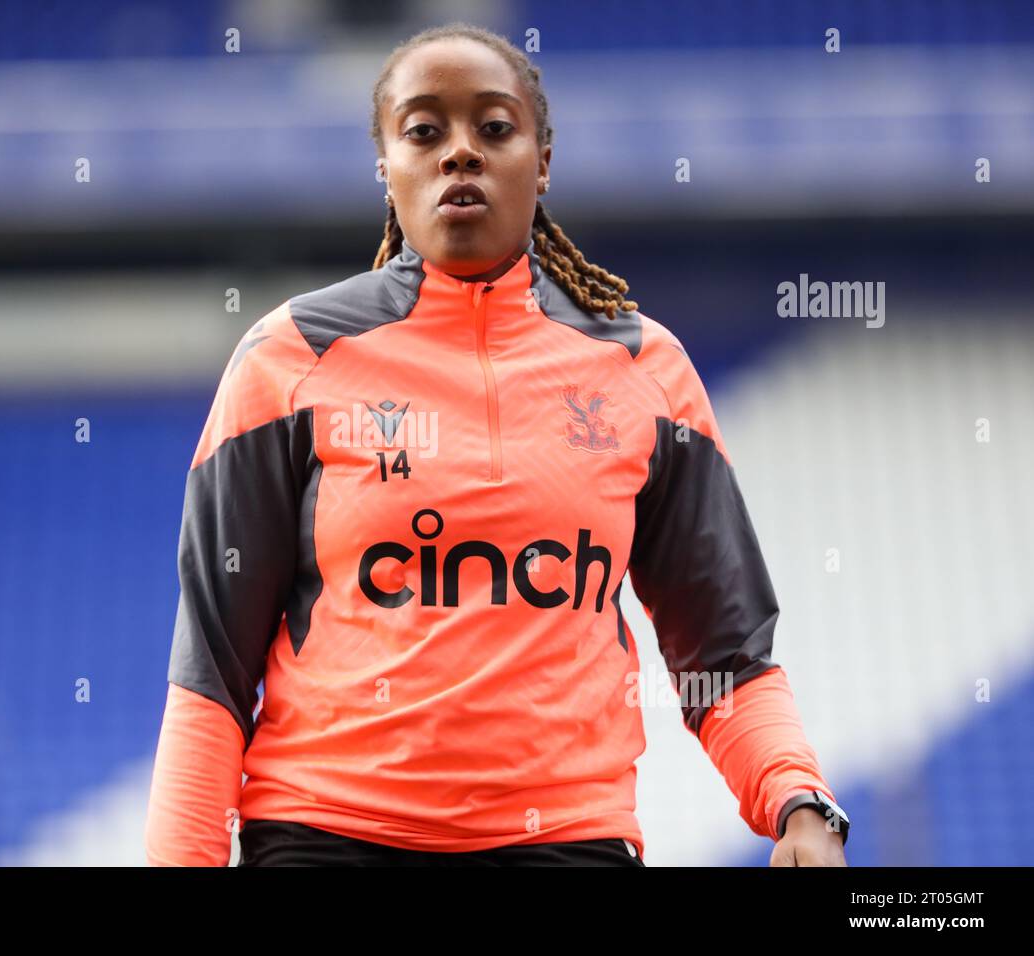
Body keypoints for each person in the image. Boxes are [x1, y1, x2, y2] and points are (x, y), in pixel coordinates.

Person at [145, 22, 848, 867]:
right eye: (423, 131)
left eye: (494, 127)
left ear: (541, 160)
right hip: (325, 835)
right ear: (385, 165)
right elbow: (212, 667)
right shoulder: (287, 358)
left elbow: (725, 655)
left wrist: (797, 800)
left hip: (567, 843)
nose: (459, 154)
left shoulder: (646, 370)